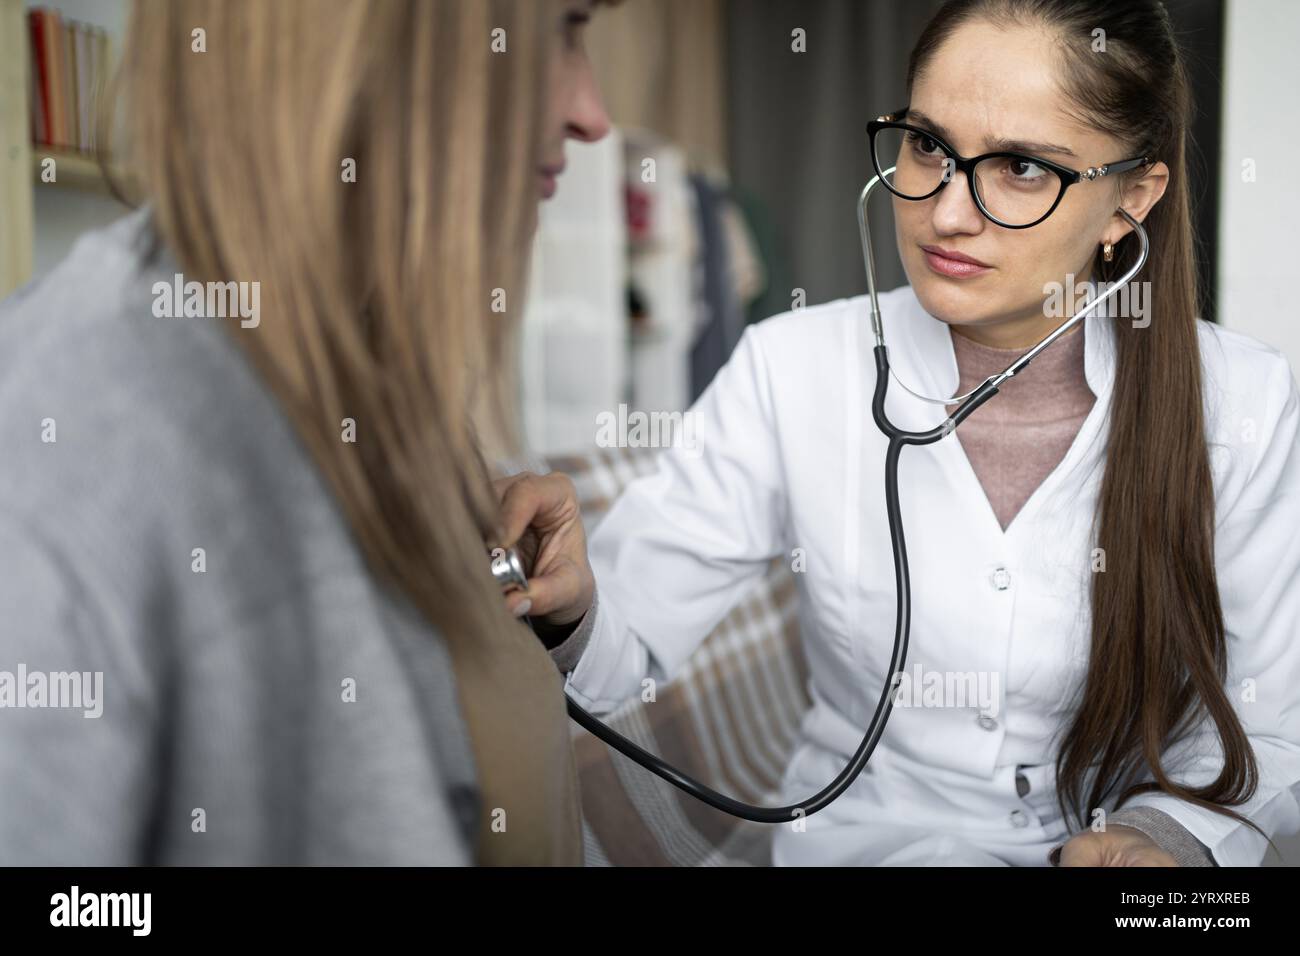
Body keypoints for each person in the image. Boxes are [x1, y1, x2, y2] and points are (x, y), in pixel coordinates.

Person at [501, 0, 1300, 866]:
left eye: (1023, 167)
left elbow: (1265, 719)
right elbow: (625, 651)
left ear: (1130, 200)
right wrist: (574, 599)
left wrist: (1163, 837)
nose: (947, 212)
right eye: (928, 146)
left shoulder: (1244, 401)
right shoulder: (789, 367)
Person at [0, 0, 611, 865]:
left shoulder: (379, 372)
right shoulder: (72, 443)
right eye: (561, 29)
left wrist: (540, 623)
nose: (595, 113)